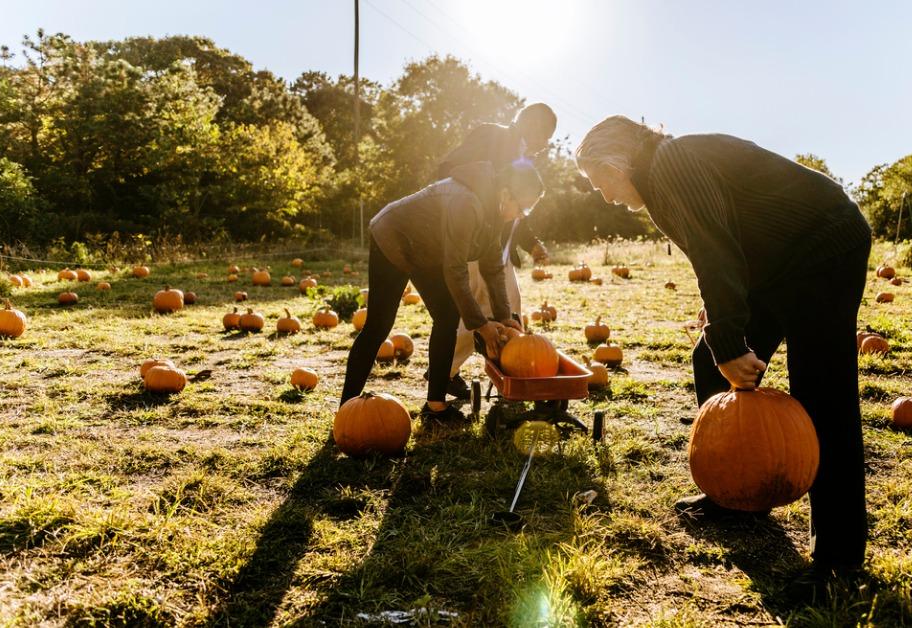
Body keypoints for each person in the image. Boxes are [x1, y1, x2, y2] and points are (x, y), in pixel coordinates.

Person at [574, 115, 872, 597]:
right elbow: (717, 248)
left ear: (620, 161)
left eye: (600, 181)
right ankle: (736, 492)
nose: (605, 195)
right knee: (705, 357)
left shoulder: (672, 163)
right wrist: (721, 328)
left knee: (822, 391)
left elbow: (716, 251)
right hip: (774, 262)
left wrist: (732, 343)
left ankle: (838, 559)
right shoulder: (660, 177)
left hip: (824, 246)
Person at [340, 161, 544, 421]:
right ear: (506, 194)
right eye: (523, 207)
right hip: (393, 236)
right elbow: (455, 271)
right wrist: (481, 325)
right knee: (379, 326)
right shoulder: (467, 203)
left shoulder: (495, 211)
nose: (521, 216)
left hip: (426, 248)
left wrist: (504, 316)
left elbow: (492, 267)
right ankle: (346, 409)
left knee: (447, 315)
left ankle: (435, 406)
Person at [431, 103, 557, 398]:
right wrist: (468, 214)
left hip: (497, 250)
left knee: (509, 308)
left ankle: (515, 371)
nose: (547, 143)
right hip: (473, 241)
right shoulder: (492, 137)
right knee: (476, 310)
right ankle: (449, 372)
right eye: (547, 135)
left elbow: (516, 212)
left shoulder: (525, 162)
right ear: (534, 127)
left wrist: (532, 243)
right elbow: (447, 170)